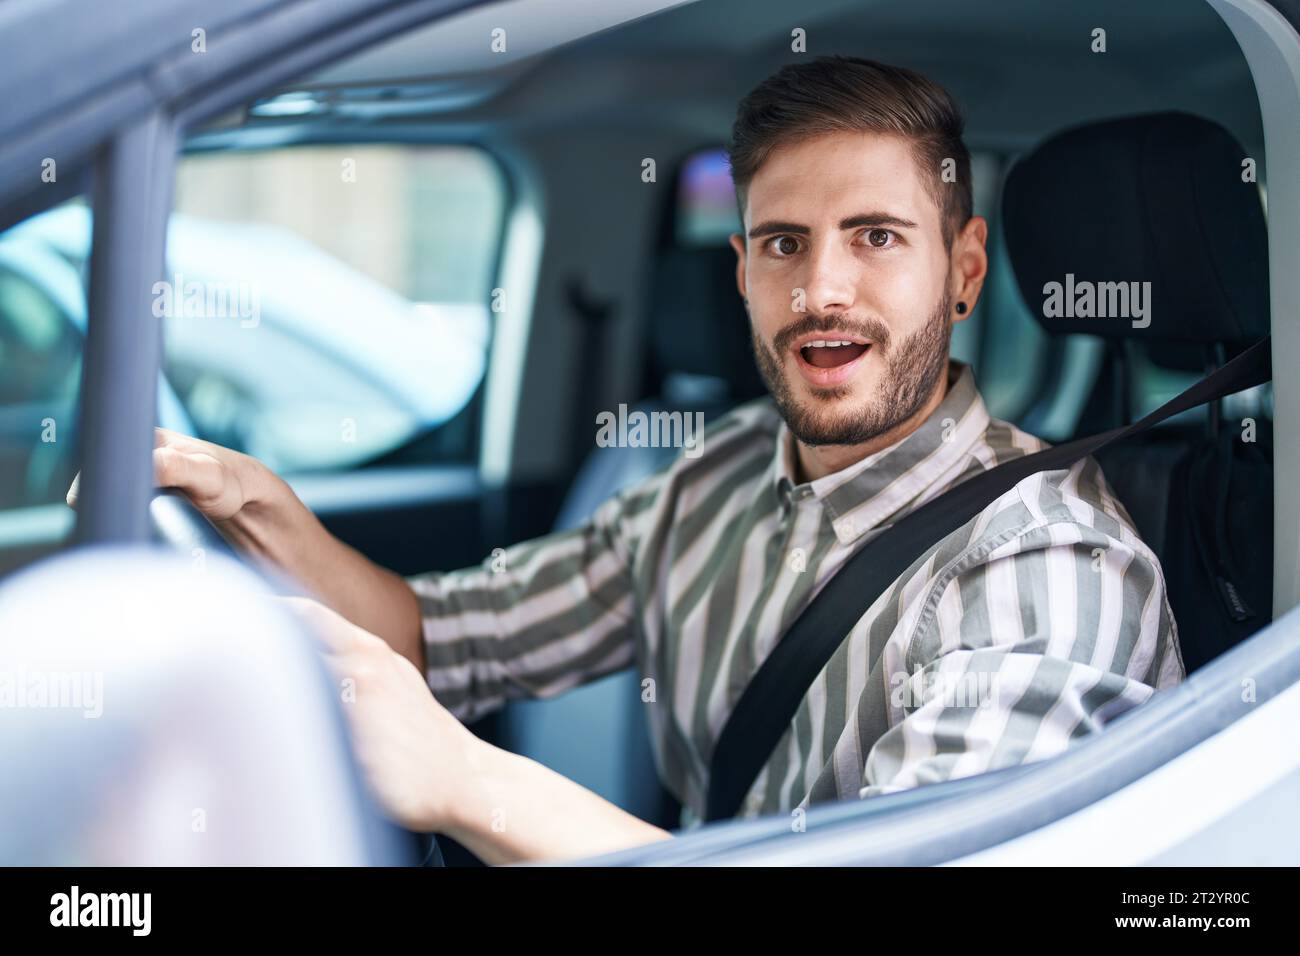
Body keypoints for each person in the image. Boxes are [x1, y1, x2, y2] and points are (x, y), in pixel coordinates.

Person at [93, 56, 1181, 863]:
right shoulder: (710, 481)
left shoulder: (1045, 564)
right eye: (783, 243)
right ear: (742, 270)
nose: (823, 292)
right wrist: (257, 509)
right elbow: (445, 637)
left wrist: (464, 777)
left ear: (964, 267)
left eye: (877, 236)